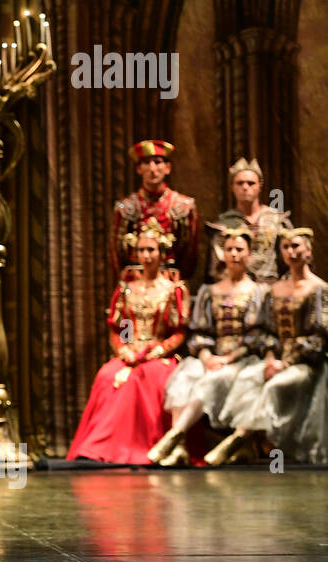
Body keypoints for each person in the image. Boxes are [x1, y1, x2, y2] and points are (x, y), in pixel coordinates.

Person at [66, 221, 189, 463]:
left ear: (161, 253)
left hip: (159, 356)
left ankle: (142, 446)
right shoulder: (127, 289)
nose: (146, 255)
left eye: (151, 250)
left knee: (144, 378)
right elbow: (121, 329)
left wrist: (158, 350)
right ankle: (102, 445)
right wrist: (124, 350)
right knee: (106, 375)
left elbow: (179, 332)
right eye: (142, 250)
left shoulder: (172, 290)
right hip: (132, 353)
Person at [151, 227, 267, 466]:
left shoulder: (258, 292)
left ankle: (174, 436)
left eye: (239, 250)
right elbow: (199, 332)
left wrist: (228, 358)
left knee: (213, 380)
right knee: (186, 377)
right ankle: (179, 449)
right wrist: (206, 357)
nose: (234, 254)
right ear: (222, 254)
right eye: (229, 249)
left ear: (248, 255)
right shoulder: (209, 291)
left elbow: (258, 335)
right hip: (211, 356)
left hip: (244, 358)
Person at [211, 227, 326, 464]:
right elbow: (267, 331)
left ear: (308, 251)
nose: (291, 252)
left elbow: (319, 337)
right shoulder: (275, 289)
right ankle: (249, 446)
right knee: (247, 378)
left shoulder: (319, 289)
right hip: (276, 359)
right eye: (286, 247)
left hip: (306, 363)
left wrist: (285, 363)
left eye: (296, 246)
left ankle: (239, 437)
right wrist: (271, 358)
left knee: (277, 385)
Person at [110, 140, 199, 281]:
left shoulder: (184, 205)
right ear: (139, 168)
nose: (152, 169)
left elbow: (190, 254)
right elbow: (116, 252)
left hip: (171, 279)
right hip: (134, 280)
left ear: (167, 168)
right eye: (146, 163)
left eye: (157, 162)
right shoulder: (124, 207)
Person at [205, 158, 289, 284]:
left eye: (251, 183)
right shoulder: (223, 224)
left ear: (260, 186)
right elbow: (216, 269)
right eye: (240, 183)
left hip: (270, 289)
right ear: (232, 186)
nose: (245, 187)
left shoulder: (276, 220)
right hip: (234, 291)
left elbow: (290, 263)